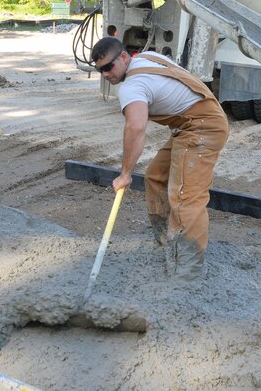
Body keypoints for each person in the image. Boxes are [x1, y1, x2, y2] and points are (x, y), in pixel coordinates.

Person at [91, 37, 229, 280]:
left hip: (202, 127)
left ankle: (188, 271)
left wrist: (125, 174)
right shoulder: (146, 58)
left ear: (124, 57)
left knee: (186, 196)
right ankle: (167, 243)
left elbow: (135, 128)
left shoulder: (132, 86)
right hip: (187, 125)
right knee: (156, 176)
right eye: (100, 70)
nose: (105, 74)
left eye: (108, 67)